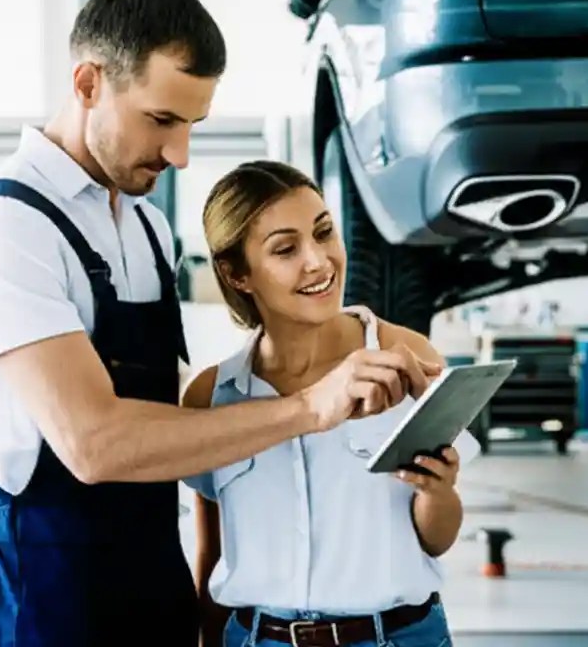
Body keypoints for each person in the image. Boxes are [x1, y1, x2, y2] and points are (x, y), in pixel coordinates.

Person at [0, 0, 442, 647]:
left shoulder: (144, 227)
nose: (180, 154)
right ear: (88, 83)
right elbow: (95, 443)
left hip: (151, 574)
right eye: (161, 120)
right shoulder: (6, 226)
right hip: (46, 594)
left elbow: (176, 427)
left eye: (192, 124)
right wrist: (310, 409)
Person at [184, 160, 481, 647]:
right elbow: (212, 555)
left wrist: (438, 492)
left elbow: (436, 539)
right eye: (286, 249)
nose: (319, 261)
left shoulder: (405, 359)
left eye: (324, 233)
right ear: (237, 274)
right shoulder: (211, 397)